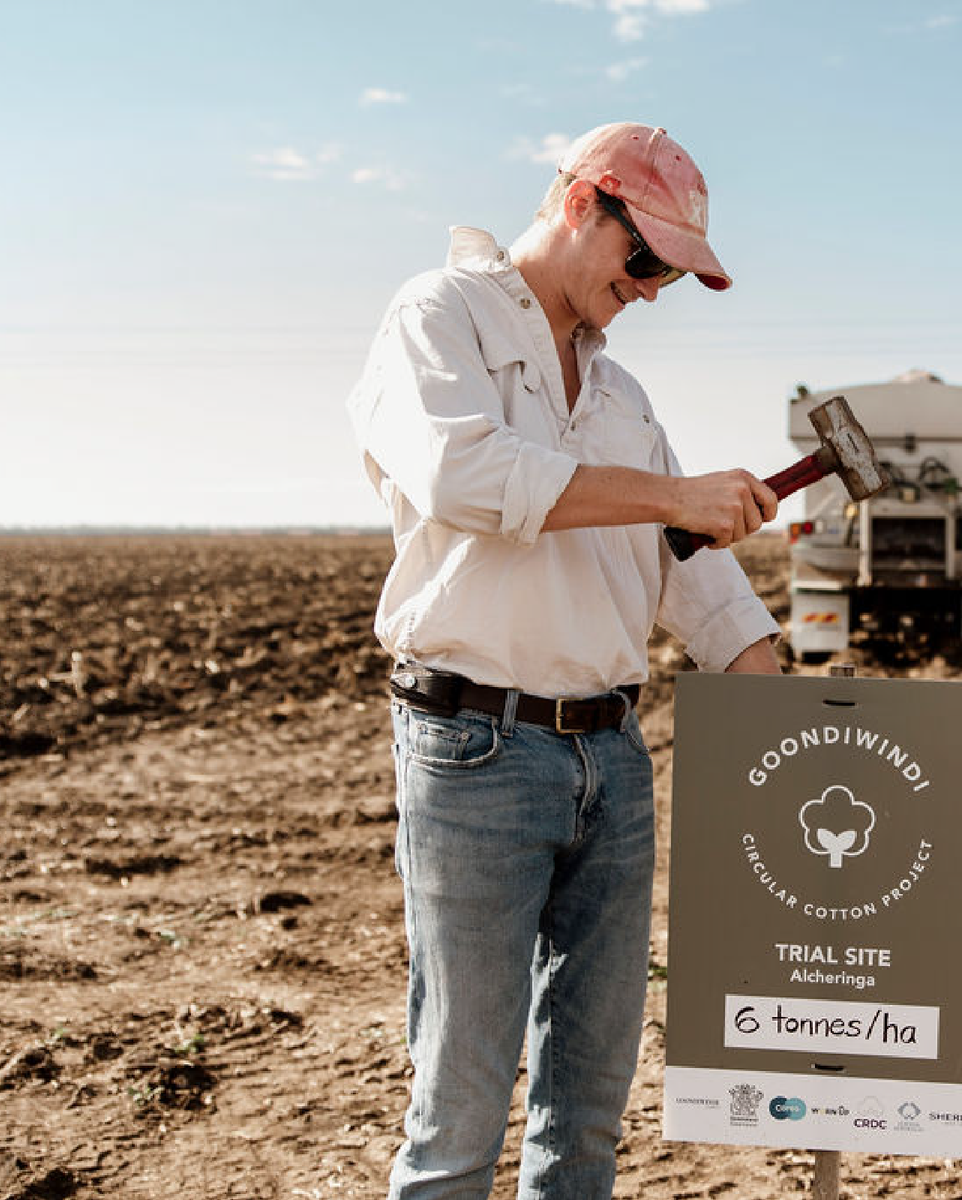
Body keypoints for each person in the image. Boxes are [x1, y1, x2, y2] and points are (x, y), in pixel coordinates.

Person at [347, 121, 782, 1200]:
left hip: (613, 759)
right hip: (474, 751)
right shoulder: (437, 315)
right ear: (584, 201)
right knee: (461, 1105)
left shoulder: (621, 398)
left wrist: (782, 680)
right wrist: (677, 496)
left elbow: (690, 570)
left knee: (587, 1110)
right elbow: (466, 475)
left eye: (671, 277)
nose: (651, 288)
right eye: (645, 260)